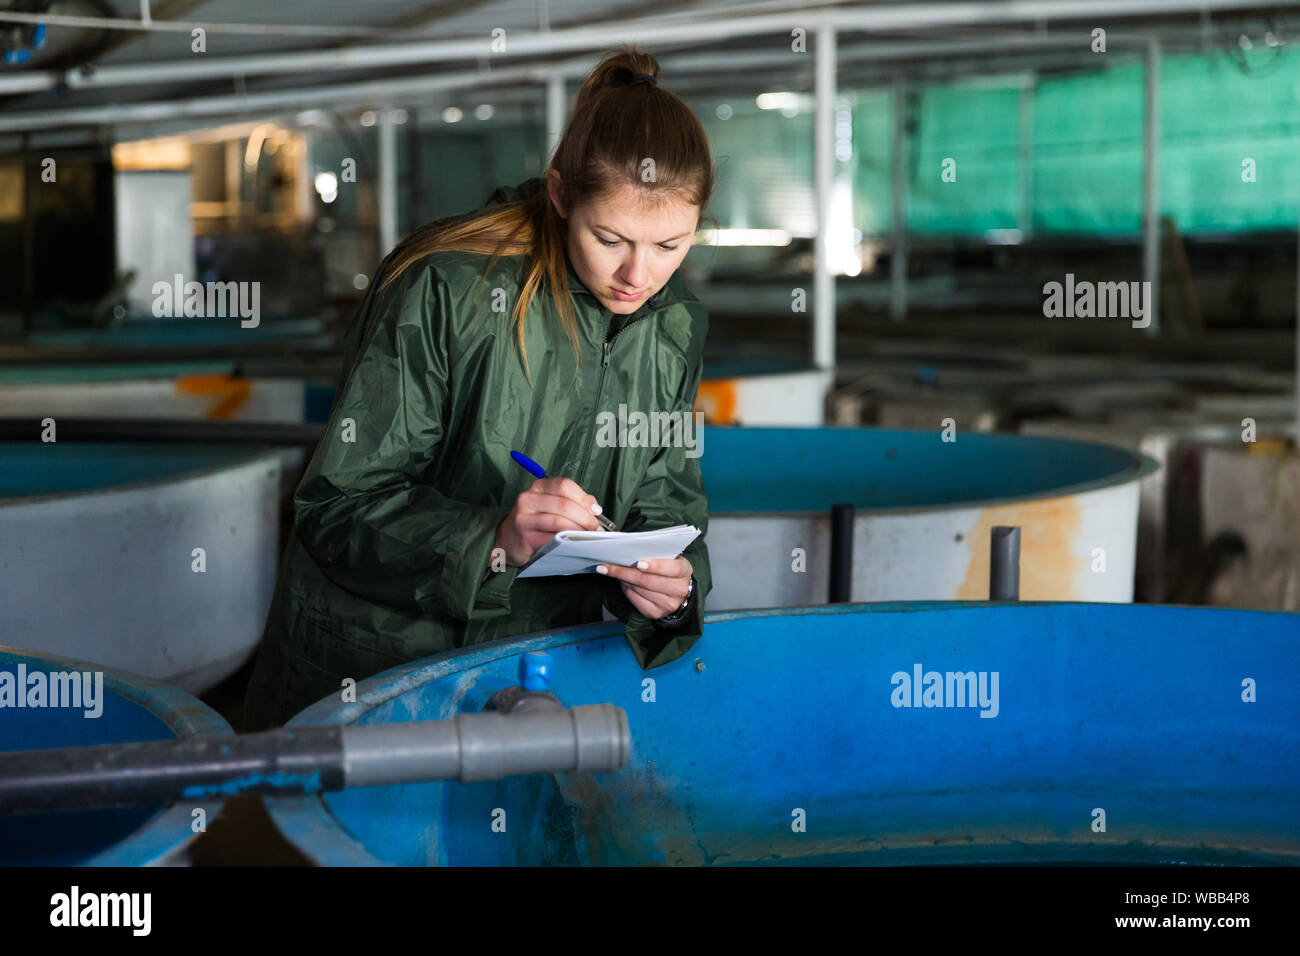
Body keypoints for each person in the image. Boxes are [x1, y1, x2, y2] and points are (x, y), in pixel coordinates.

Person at [243, 46, 717, 729]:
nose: (637, 276)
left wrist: (674, 590)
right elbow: (337, 506)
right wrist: (492, 540)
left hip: (544, 669)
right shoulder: (445, 287)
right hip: (391, 673)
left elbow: (668, 499)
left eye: (671, 245)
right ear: (559, 196)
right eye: (610, 238)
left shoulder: (673, 327)